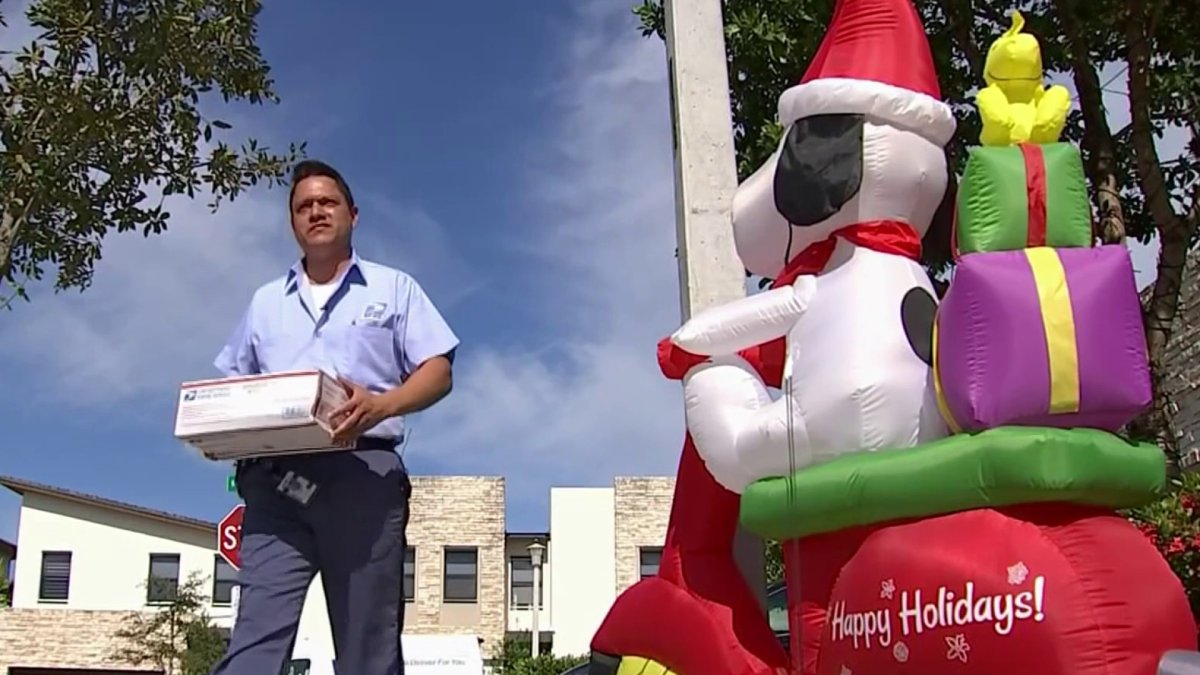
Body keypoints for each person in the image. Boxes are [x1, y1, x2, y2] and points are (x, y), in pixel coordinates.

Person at [210, 159, 459, 675]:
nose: (316, 212)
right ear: (292, 223)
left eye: (327, 202)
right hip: (276, 485)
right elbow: (231, 386)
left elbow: (439, 370)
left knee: (366, 643)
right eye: (304, 206)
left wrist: (382, 405)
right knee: (255, 640)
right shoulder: (263, 303)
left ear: (353, 214)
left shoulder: (395, 289)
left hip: (361, 478)